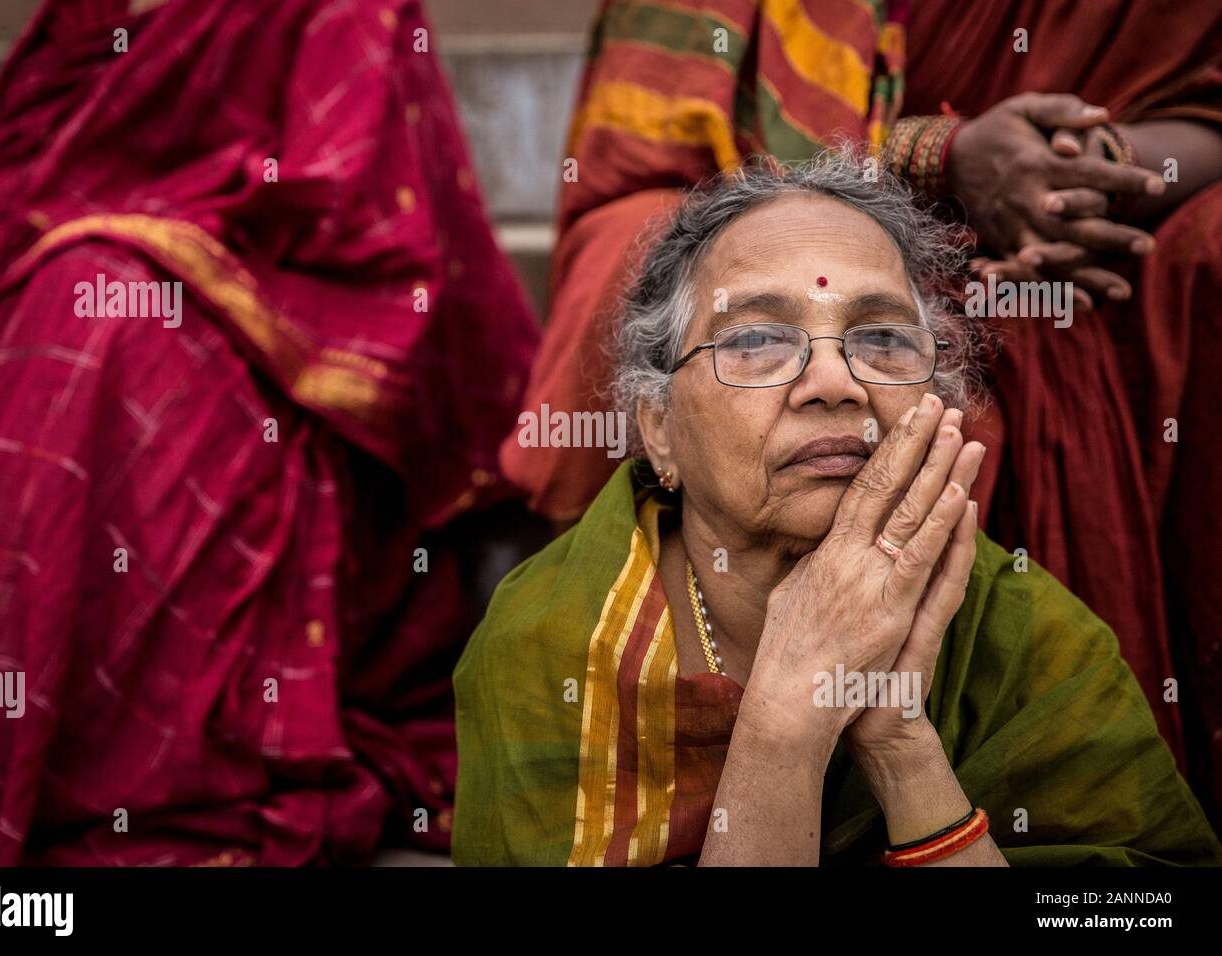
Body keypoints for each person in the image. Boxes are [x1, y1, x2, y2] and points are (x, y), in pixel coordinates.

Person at [498, 0, 1222, 824]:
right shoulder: (534, 654)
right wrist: (931, 155)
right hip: (813, 200)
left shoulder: (1048, 640)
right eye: (759, 344)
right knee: (651, 244)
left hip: (1076, 241)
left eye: (880, 344)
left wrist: (1085, 173)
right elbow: (655, 152)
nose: (833, 386)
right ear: (654, 427)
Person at [0, 0, 538, 865]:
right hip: (93, 307)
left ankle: (59, 774)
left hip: (287, 345)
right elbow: (18, 202)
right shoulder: (91, 15)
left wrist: (175, 252)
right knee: (78, 309)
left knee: (109, 320)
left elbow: (369, 230)